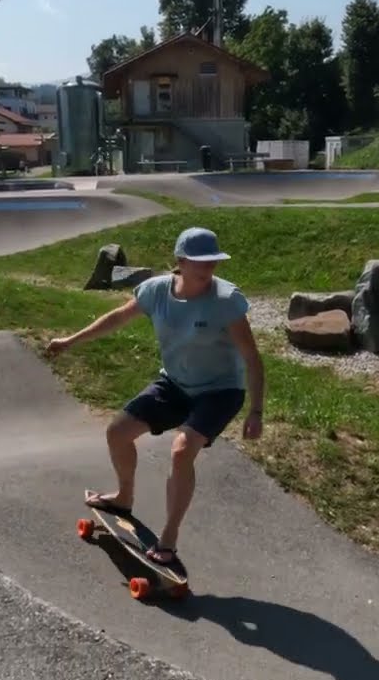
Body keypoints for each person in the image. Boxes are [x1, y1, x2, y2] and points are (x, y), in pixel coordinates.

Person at [44, 226, 265, 566]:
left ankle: (169, 538)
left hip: (220, 391)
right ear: (180, 261)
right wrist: (70, 341)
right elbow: (117, 317)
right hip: (175, 384)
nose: (208, 269)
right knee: (117, 432)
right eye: (200, 262)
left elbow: (251, 355)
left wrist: (256, 411)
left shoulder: (226, 301)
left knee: (181, 450)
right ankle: (123, 497)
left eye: (213, 262)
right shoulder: (156, 291)